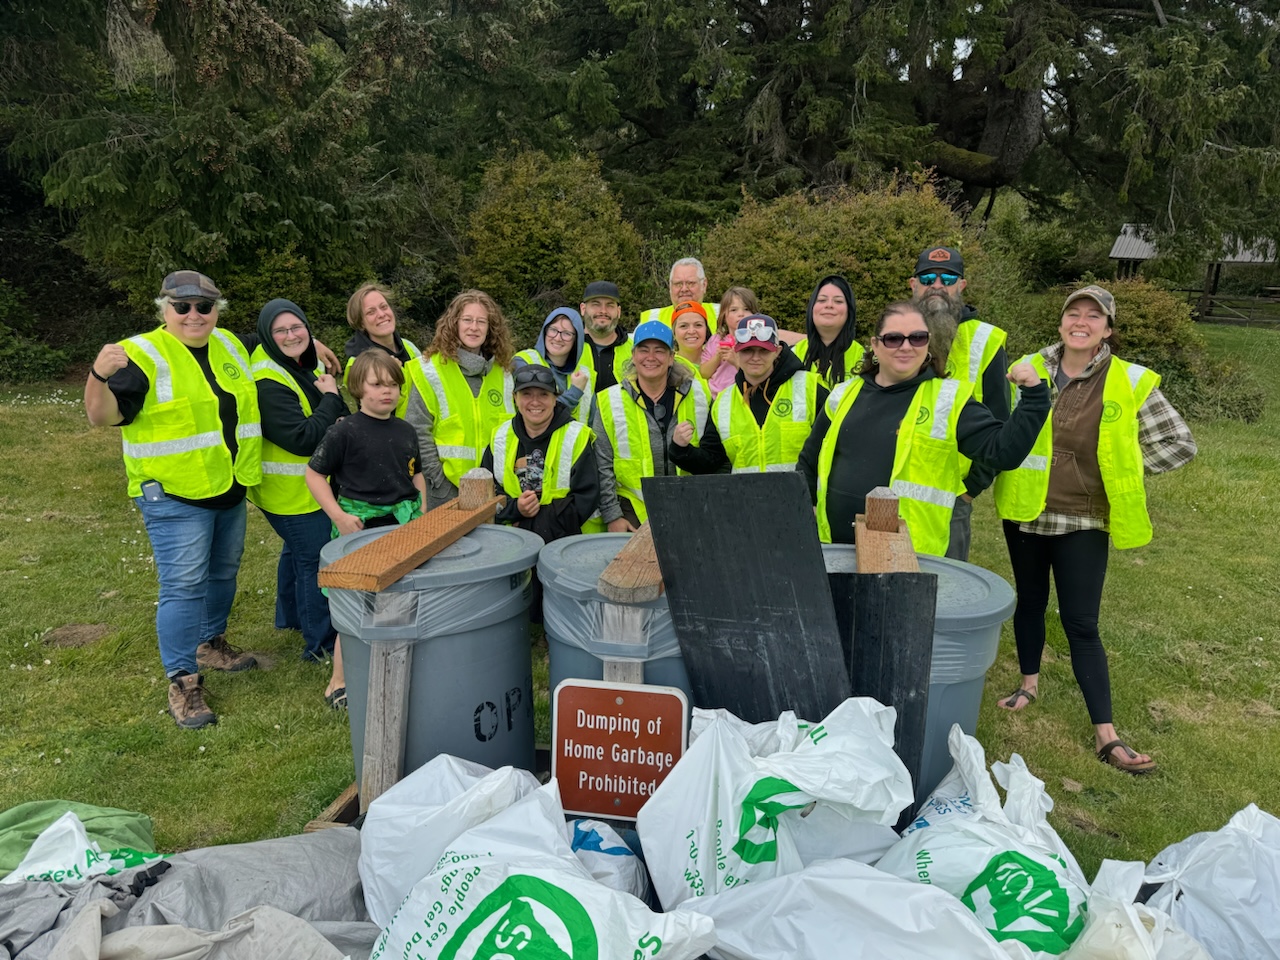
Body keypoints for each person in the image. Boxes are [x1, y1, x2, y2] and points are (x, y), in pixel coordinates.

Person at [993, 285, 1196, 775]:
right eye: (1072, 313)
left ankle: (1107, 734)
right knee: (1031, 600)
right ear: (1062, 322)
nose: (1080, 322)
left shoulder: (1129, 380)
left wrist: (1122, 468)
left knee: (1081, 622)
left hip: (1084, 517)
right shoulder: (1028, 368)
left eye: (1093, 316)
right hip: (1025, 508)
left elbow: (1179, 442)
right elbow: (998, 426)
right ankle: (1028, 684)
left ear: (1107, 328)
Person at [84, 271, 261, 730]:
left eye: (204, 306)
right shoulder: (140, 354)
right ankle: (183, 682)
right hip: (173, 496)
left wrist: (312, 348)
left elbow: (274, 349)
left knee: (223, 572)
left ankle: (211, 644)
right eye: (182, 306)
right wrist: (96, 375)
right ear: (163, 309)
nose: (194, 315)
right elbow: (101, 417)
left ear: (217, 309)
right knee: (183, 587)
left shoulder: (229, 346)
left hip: (228, 486)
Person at [797, 302, 1050, 553]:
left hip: (912, 557)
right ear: (875, 345)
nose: (906, 347)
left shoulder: (950, 400)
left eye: (917, 338)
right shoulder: (843, 395)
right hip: (834, 548)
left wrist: (1035, 399)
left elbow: (1003, 452)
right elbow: (809, 462)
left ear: (928, 343)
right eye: (894, 339)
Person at [305, 351, 428, 708]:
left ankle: (399, 669)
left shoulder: (406, 430)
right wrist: (339, 517)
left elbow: (415, 472)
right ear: (358, 388)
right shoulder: (344, 430)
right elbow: (314, 474)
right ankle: (339, 682)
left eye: (392, 385)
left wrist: (421, 506)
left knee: (402, 600)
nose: (386, 392)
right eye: (376, 385)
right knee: (356, 606)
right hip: (359, 528)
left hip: (402, 526)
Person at [248, 298, 349, 665]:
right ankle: (319, 645)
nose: (291, 336)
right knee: (315, 560)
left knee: (295, 552)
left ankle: (289, 618)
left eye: (297, 327)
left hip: (303, 486)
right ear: (268, 336)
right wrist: (332, 399)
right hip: (289, 491)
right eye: (281, 330)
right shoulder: (267, 380)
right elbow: (301, 437)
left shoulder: (302, 360)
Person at [908, 246, 1011, 561]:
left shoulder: (986, 340)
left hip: (952, 494)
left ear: (961, 286)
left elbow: (1000, 423)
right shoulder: (899, 332)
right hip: (895, 487)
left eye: (947, 277)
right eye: (927, 277)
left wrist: (972, 487)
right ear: (913, 284)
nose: (936, 284)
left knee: (948, 594)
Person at [482, 365, 601, 613]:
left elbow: (586, 498)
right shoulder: (500, 437)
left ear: (556, 397)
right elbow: (486, 497)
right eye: (526, 394)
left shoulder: (577, 436)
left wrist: (532, 521)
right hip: (512, 544)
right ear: (514, 398)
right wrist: (516, 509)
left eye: (543, 394)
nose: (535, 402)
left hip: (564, 542)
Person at [591, 321, 712, 531]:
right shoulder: (608, 401)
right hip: (634, 509)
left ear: (671, 357)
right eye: (644, 350)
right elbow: (602, 465)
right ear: (633, 355)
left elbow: (714, 456)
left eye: (659, 351)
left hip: (690, 505)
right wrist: (613, 516)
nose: (651, 357)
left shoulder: (699, 395)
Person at [670, 314, 826, 475]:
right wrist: (680, 449)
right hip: (745, 499)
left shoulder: (810, 389)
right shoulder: (724, 402)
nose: (755, 357)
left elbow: (834, 450)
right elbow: (710, 461)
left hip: (801, 499)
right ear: (736, 352)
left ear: (777, 351)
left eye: (764, 350)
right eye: (748, 350)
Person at [403, 289, 515, 509]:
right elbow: (417, 432)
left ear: (490, 328)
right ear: (454, 323)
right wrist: (440, 484)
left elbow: (512, 434)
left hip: (494, 495)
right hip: (443, 495)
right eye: (467, 320)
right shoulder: (430, 370)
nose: (474, 327)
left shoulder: (504, 375)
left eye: (481, 321)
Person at [342, 283, 422, 418]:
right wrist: (396, 377)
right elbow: (378, 411)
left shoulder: (409, 347)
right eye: (371, 312)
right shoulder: (357, 363)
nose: (381, 314)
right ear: (361, 323)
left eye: (384, 307)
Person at [512, 307, 594, 423]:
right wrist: (574, 392)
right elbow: (541, 414)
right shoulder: (524, 361)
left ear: (577, 339)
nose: (558, 338)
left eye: (566, 333)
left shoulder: (585, 376)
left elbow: (592, 420)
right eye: (553, 330)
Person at [788, 274, 865, 390]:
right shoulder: (793, 355)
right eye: (822, 300)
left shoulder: (864, 359)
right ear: (812, 308)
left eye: (838, 301)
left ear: (849, 310)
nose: (829, 305)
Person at [701, 286, 757, 398]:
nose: (741, 314)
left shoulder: (757, 342)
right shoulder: (716, 340)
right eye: (734, 310)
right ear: (724, 315)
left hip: (745, 397)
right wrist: (717, 356)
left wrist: (736, 361)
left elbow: (759, 374)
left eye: (746, 309)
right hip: (717, 398)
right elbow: (704, 373)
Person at [578, 280, 632, 392]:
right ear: (583, 309)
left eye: (610, 305)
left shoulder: (635, 350)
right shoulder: (568, 347)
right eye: (595, 304)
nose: (603, 311)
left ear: (618, 311)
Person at [639, 258, 719, 328]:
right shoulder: (651, 319)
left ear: (704, 285)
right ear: (670, 286)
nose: (684, 289)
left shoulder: (722, 314)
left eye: (690, 283)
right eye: (678, 284)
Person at [670, 301, 712, 383]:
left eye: (698, 325)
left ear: (706, 330)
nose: (691, 331)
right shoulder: (668, 365)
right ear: (674, 333)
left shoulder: (719, 362)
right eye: (683, 326)